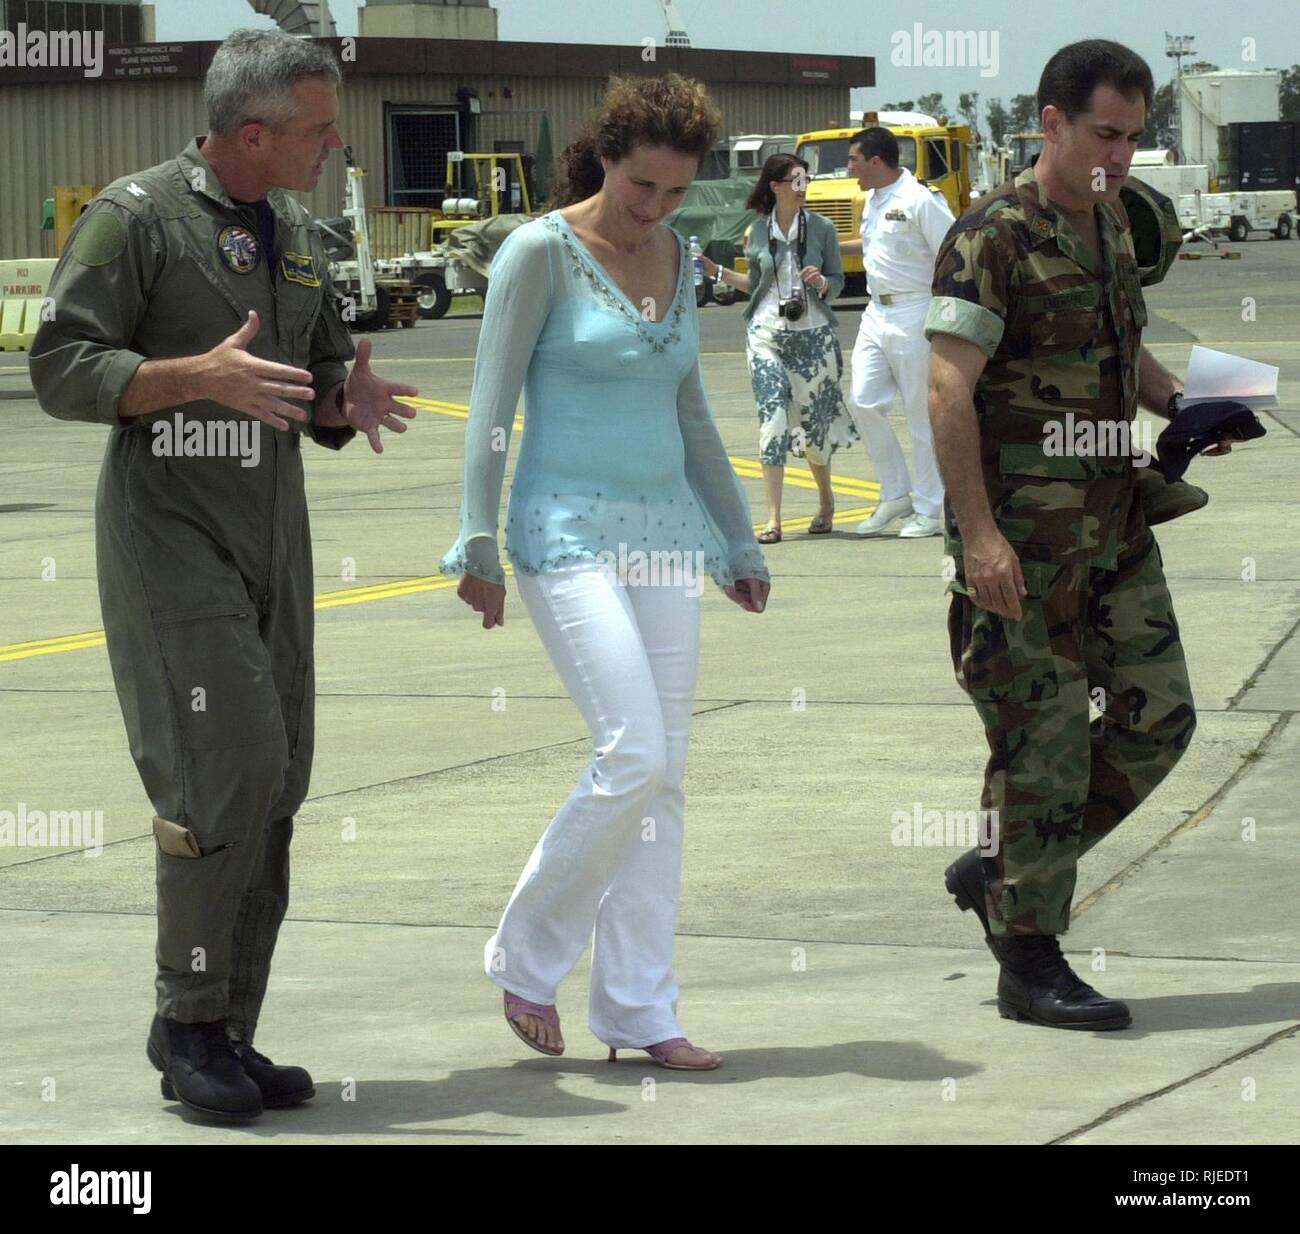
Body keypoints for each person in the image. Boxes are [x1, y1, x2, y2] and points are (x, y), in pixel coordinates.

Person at [28, 29, 418, 1120]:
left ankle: (230, 1032)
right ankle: (185, 1018)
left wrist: (346, 402)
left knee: (278, 777)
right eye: (319, 130)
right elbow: (58, 363)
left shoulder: (299, 229)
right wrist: (186, 374)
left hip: (272, 533)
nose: (335, 147)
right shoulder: (137, 217)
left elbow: (318, 373)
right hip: (170, 533)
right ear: (252, 132)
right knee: (224, 767)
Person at [441, 73, 770, 1072]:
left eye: (673, 193)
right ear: (606, 158)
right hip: (565, 530)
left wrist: (737, 539)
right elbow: (492, 403)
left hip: (667, 537)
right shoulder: (537, 251)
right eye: (639, 187)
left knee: (664, 776)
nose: (653, 209)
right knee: (632, 749)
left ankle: (635, 1005)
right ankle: (527, 952)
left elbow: (692, 413)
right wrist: (475, 537)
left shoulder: (676, 255)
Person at [925, 39, 1234, 1030]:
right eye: (1104, 133)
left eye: (1135, 138)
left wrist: (1184, 405)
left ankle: (1009, 869)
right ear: (1049, 122)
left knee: (1159, 716)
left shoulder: (1108, 225)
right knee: (1043, 742)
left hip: (1114, 528)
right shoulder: (991, 238)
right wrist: (978, 538)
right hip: (1021, 543)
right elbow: (944, 387)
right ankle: (1029, 958)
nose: (1120, 156)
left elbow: (1122, 347)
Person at [702, 154, 857, 542]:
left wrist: (822, 282)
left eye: (806, 180)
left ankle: (825, 499)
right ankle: (772, 519)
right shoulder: (756, 231)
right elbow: (754, 285)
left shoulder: (821, 229)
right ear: (775, 186)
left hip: (813, 336)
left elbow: (838, 282)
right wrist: (715, 270)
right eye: (795, 180)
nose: (803, 186)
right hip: (766, 334)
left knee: (813, 430)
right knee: (772, 421)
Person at [841, 126, 955, 538]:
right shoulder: (872, 200)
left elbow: (953, 250)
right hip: (876, 311)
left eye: (853, 159)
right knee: (863, 400)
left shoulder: (920, 199)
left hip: (914, 309)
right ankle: (895, 494)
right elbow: (873, 246)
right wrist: (835, 246)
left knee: (919, 414)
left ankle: (929, 507)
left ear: (875, 161)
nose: (849, 166)